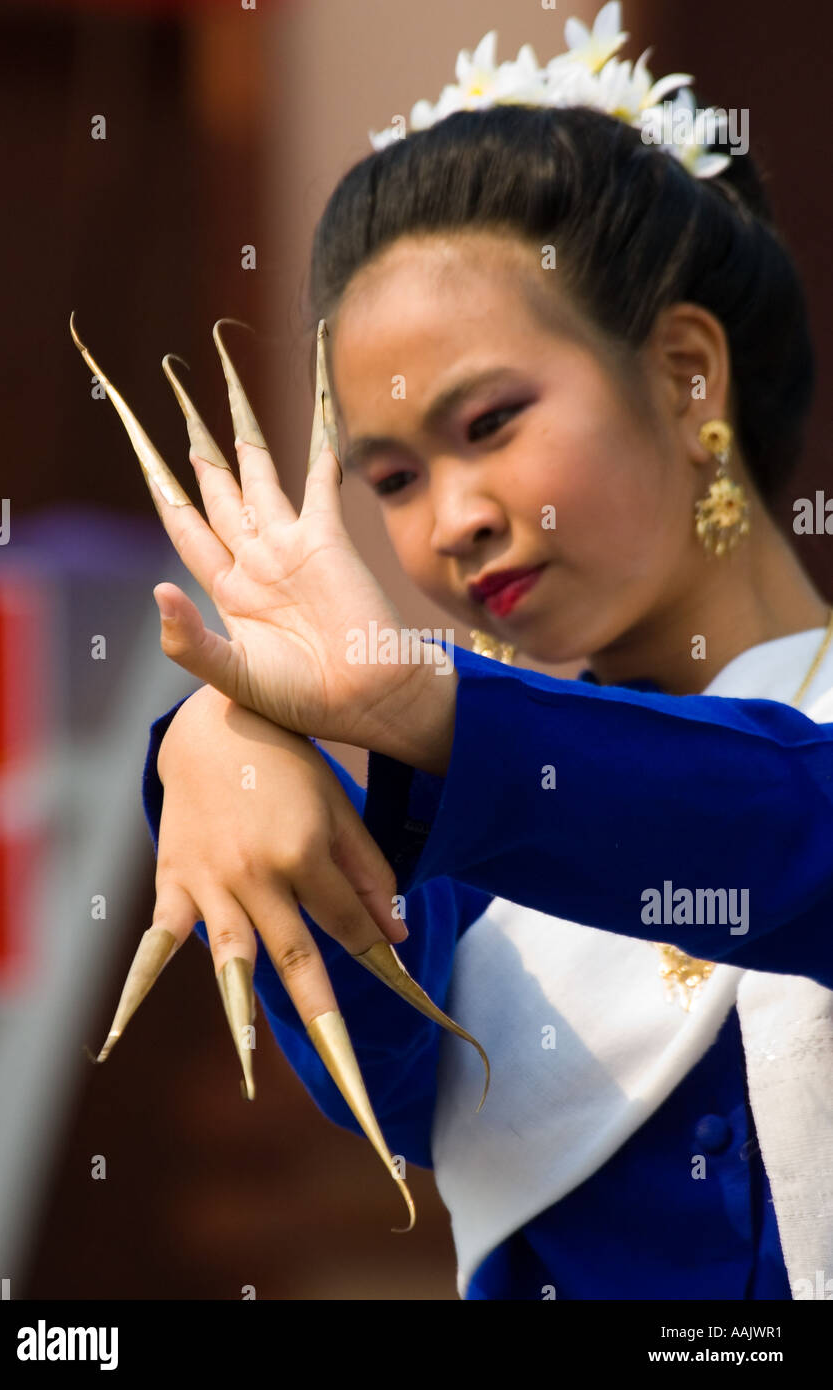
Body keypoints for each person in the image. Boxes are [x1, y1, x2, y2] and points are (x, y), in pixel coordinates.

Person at [81, 7, 833, 1299]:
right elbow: (387, 1068)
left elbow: (787, 823)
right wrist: (217, 735)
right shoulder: (449, 835)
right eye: (389, 478)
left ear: (686, 371)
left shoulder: (477, 763)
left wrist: (425, 708)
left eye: (488, 422)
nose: (451, 521)